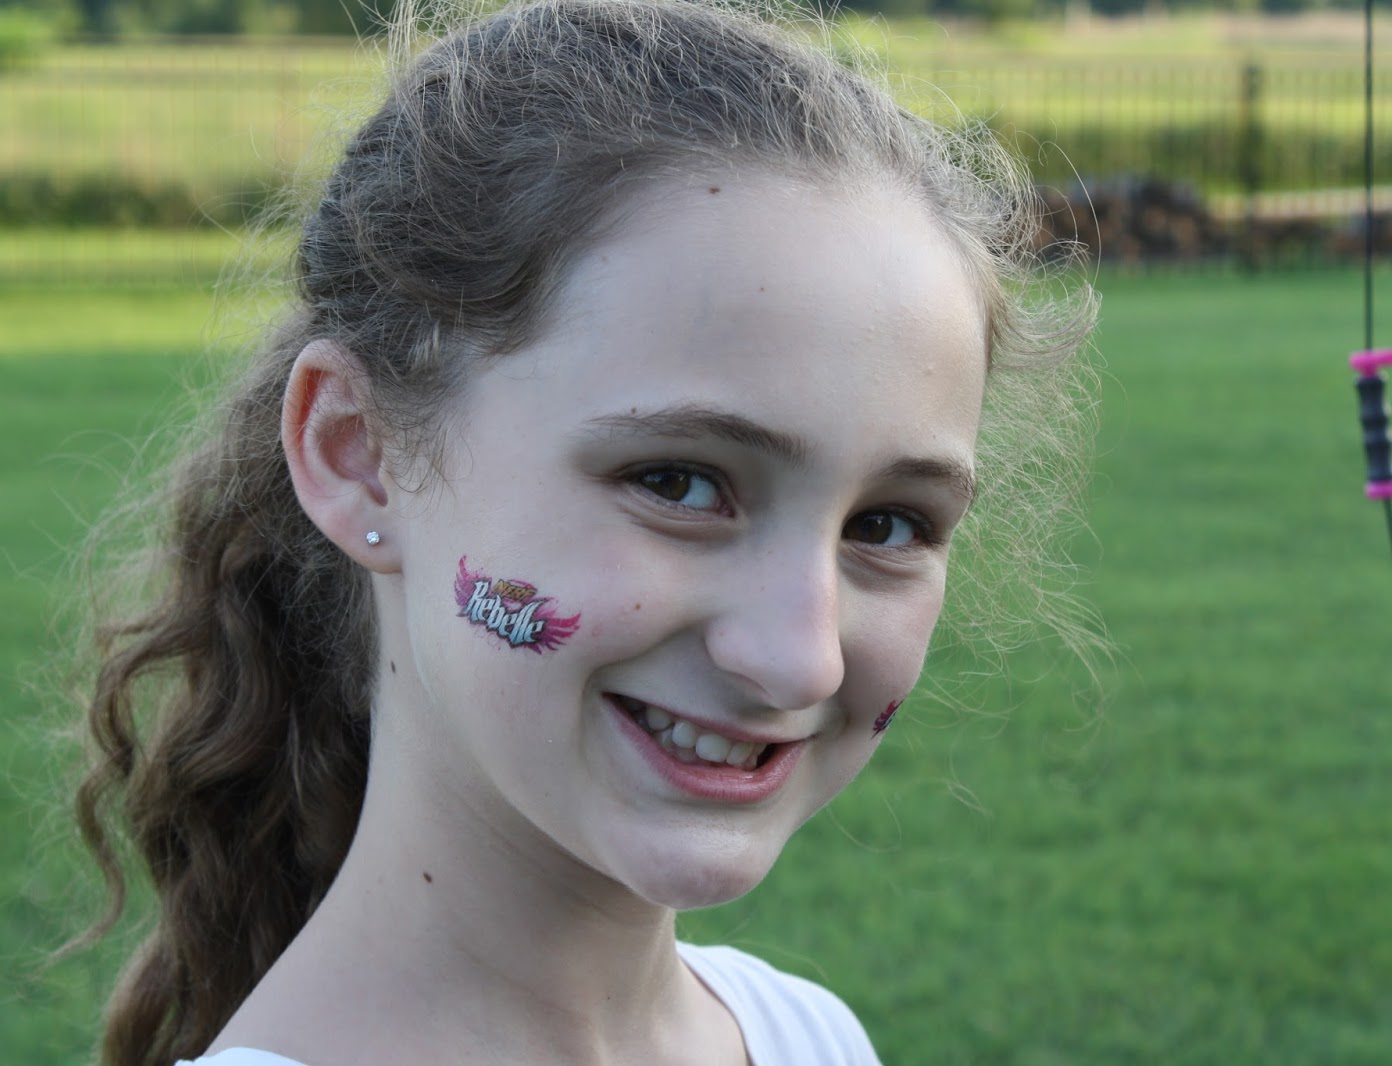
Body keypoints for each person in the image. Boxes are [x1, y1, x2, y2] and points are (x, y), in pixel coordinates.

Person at [69, 0, 1098, 1063]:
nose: (800, 655)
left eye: (889, 523)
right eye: (679, 483)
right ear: (358, 454)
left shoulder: (808, 1039)